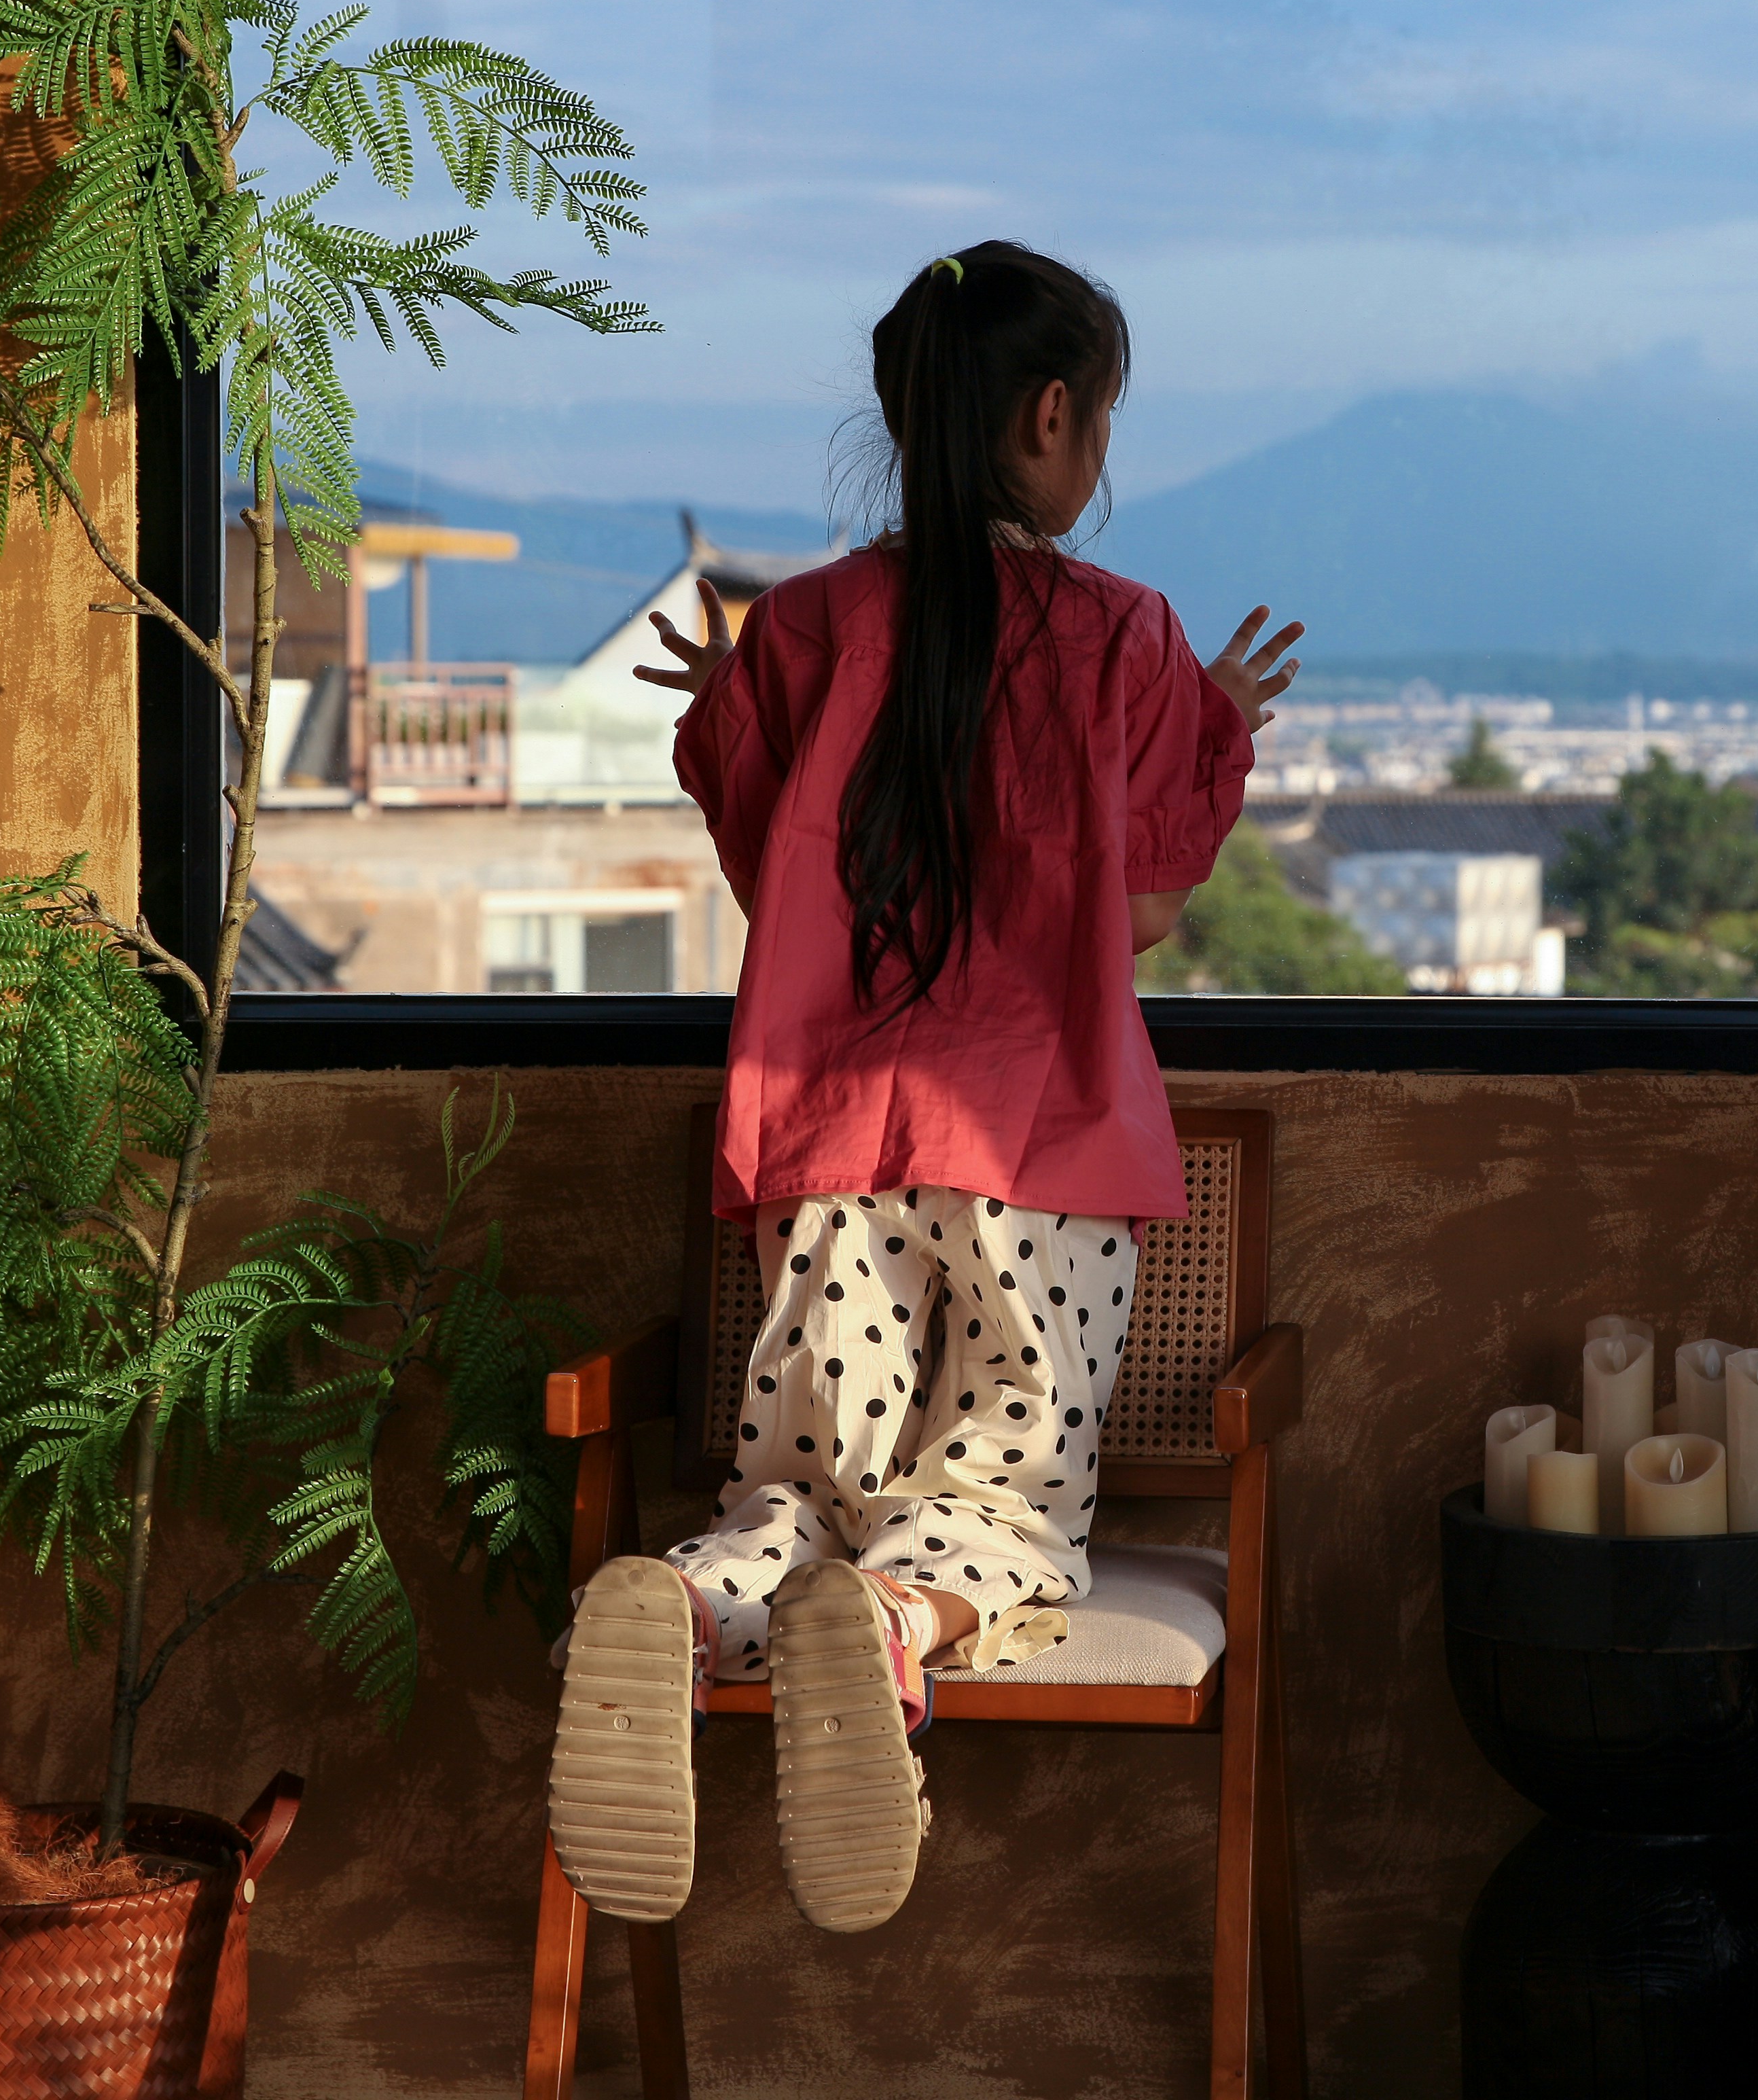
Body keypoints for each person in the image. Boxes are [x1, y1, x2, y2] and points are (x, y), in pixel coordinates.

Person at [548, 241, 1299, 1936]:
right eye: (1103, 418)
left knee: (795, 1494)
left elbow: (768, 855)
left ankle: (681, 1603)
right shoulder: (1123, 637)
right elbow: (1149, 912)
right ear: (1052, 416)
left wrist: (732, 705)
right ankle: (896, 1633)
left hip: (821, 1154)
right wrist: (1217, 729)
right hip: (1039, 1157)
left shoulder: (807, 630)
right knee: (1007, 1513)